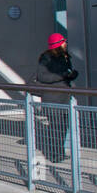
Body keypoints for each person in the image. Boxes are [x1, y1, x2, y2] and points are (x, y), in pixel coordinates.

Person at [33, 32, 79, 162]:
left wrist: (71, 75)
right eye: (64, 41)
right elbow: (43, 77)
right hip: (52, 98)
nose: (66, 43)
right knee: (55, 128)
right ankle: (54, 154)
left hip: (64, 97)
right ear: (59, 44)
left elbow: (65, 74)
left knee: (63, 127)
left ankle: (60, 152)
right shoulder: (46, 58)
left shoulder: (65, 57)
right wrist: (62, 76)